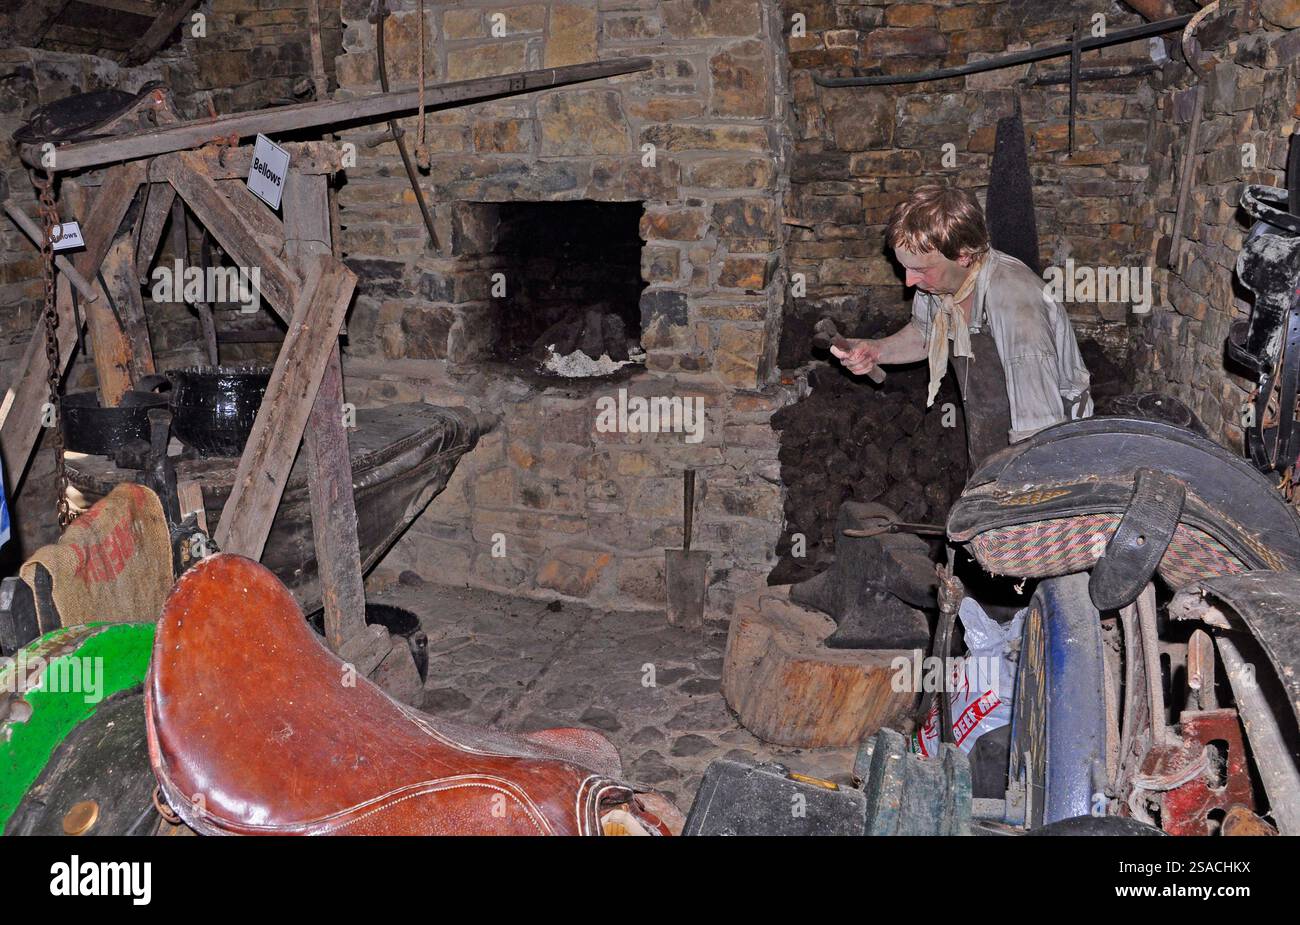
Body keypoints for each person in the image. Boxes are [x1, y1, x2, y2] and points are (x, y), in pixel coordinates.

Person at [832, 185, 1093, 466]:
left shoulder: (1016, 305)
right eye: (905, 267)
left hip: (1053, 441)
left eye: (920, 270)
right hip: (990, 427)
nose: (908, 281)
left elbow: (1039, 428)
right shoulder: (940, 284)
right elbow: (925, 333)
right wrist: (875, 350)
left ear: (964, 255)